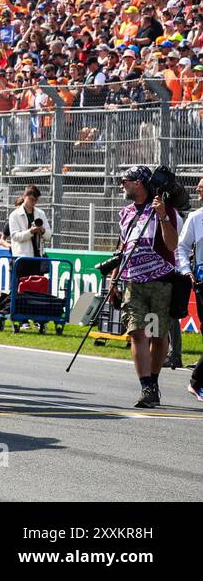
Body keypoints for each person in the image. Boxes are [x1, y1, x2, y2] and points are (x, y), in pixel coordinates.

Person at [113, 165, 181, 408]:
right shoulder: (126, 213)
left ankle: (153, 380)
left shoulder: (166, 211)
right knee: (136, 332)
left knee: (157, 335)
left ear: (138, 183)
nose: (122, 185)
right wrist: (114, 278)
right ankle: (146, 387)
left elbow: (172, 245)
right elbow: (123, 248)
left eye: (125, 181)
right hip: (133, 282)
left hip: (159, 283)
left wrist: (162, 215)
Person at [173, 175, 203, 403]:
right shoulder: (195, 218)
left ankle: (197, 380)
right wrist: (186, 270)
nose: (198, 188)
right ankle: (196, 381)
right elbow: (181, 248)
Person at [7, 184, 52, 260]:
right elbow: (15, 236)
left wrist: (42, 230)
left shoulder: (41, 213)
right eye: (31, 199)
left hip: (38, 256)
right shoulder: (14, 215)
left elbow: (49, 236)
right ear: (24, 196)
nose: (34, 202)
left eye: (36, 200)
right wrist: (31, 231)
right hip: (21, 256)